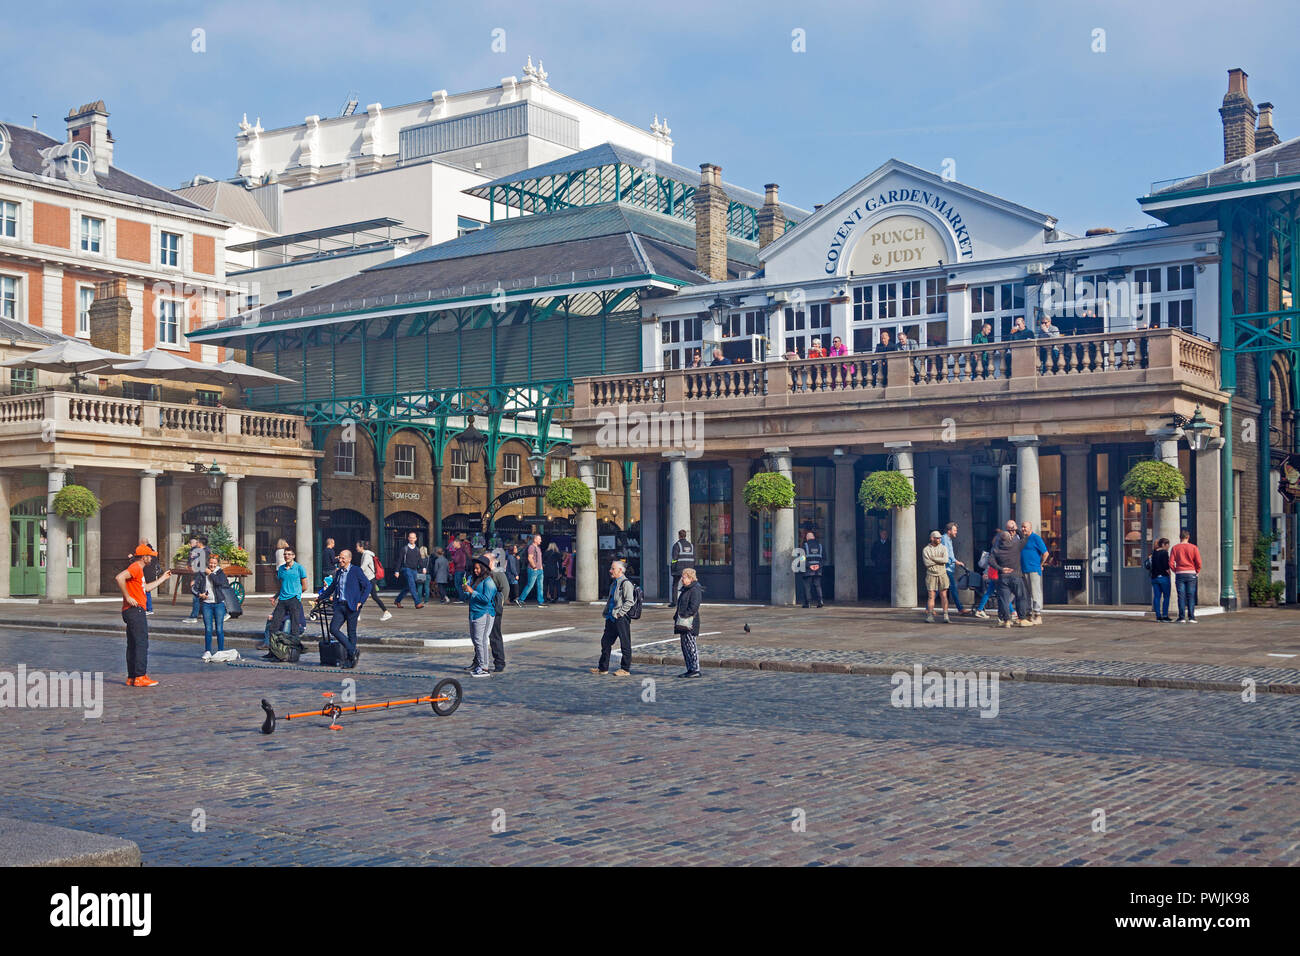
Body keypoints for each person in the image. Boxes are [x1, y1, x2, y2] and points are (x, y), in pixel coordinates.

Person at [115, 544, 172, 686]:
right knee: (141, 643)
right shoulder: (135, 567)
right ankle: (140, 676)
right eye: (150, 556)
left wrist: (163, 578)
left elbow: (145, 588)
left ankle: (132, 677)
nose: (152, 558)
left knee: (133, 644)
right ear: (144, 557)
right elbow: (119, 578)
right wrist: (128, 596)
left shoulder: (139, 570)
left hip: (131, 610)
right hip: (135, 610)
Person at [319, 549, 371, 668]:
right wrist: (321, 597)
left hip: (352, 606)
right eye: (340, 558)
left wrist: (360, 601)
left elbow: (367, 586)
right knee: (333, 628)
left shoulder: (356, 570)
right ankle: (352, 650)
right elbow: (332, 587)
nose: (340, 560)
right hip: (340, 605)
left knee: (351, 632)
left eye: (343, 558)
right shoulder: (339, 572)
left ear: (349, 559)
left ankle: (350, 659)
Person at [591, 560, 636, 677]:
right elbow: (610, 600)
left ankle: (625, 669)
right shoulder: (614, 583)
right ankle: (603, 668)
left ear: (620, 570)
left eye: (613, 569)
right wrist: (607, 613)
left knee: (625, 643)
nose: (610, 571)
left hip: (620, 618)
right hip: (611, 618)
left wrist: (620, 614)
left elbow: (629, 601)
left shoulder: (626, 583)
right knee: (605, 642)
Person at [463, 555, 498, 677]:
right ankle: (480, 665)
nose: (475, 571)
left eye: (477, 568)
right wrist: (467, 590)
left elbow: (486, 599)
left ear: (483, 568)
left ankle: (484, 667)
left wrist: (472, 591)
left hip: (484, 613)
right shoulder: (475, 580)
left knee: (481, 640)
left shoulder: (489, 582)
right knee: (476, 640)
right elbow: (470, 596)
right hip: (474, 613)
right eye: (474, 568)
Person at [991, 529, 1033, 628]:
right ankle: (1022, 619)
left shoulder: (997, 548)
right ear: (1010, 538)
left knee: (1004, 600)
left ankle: (1007, 621)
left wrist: (1001, 569)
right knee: (1021, 597)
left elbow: (990, 561)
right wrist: (1016, 529)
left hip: (1003, 577)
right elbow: (1024, 538)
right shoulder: (1016, 545)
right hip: (1016, 575)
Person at [267, 546, 308, 639]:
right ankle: (273, 651)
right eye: (285, 554)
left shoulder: (299, 568)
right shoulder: (281, 569)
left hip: (294, 600)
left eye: (289, 554)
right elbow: (282, 586)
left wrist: (296, 594)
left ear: (293, 556)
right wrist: (275, 597)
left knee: (295, 628)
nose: (287, 556)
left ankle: (294, 651)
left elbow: (305, 586)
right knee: (273, 627)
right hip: (282, 600)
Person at [195, 552, 230, 661]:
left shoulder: (220, 573)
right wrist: (199, 594)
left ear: (217, 564)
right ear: (208, 563)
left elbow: (220, 583)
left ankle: (220, 651)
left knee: (219, 629)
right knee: (208, 628)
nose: (212, 565)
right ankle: (208, 651)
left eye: (214, 563)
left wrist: (210, 573)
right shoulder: (202, 573)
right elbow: (194, 587)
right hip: (206, 604)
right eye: (211, 563)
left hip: (218, 603)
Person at [674, 567, 704, 678]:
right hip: (683, 622)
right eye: (682, 576)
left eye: (684, 577)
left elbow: (694, 607)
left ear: (690, 578)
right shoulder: (685, 589)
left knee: (691, 645)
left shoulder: (695, 589)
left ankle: (695, 669)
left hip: (690, 622)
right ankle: (689, 669)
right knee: (685, 646)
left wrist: (684, 616)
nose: (682, 579)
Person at [1019, 520, 1049, 624]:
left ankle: (1038, 615)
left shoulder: (1036, 538)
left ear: (1030, 528)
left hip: (1033, 569)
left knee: (1035, 592)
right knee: (1026, 593)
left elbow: (1045, 553)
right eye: (1022, 527)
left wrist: (1040, 564)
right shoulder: (1022, 539)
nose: (1023, 529)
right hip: (1023, 569)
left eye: (1025, 527)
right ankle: (1028, 615)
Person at [355, 540, 393, 621]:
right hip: (369, 579)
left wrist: (355, 573)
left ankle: (386, 612)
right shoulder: (365, 554)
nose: (356, 548)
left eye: (357, 546)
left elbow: (363, 567)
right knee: (371, 596)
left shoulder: (366, 555)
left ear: (361, 547)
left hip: (369, 579)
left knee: (364, 596)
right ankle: (386, 612)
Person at [1170, 528, 1202, 623]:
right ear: (1188, 537)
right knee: (1191, 595)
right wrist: (1197, 571)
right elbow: (1198, 562)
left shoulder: (1175, 548)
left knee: (1181, 596)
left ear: (1180, 537)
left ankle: (1182, 617)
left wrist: (1175, 570)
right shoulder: (1193, 548)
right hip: (1191, 573)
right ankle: (1191, 617)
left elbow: (1171, 563)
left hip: (1180, 573)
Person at [485, 552, 509, 673]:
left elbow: (506, 589)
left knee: (495, 635)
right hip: (483, 607)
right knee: (480, 637)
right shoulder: (483, 574)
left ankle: (499, 662)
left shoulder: (498, 573)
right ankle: (478, 662)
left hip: (494, 607)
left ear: (492, 561)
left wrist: (500, 603)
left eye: (486, 559)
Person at [940, 522, 970, 616]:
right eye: (954, 530)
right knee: (953, 587)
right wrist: (955, 561)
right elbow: (946, 554)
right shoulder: (945, 539)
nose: (956, 532)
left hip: (949, 567)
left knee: (940, 588)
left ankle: (928, 608)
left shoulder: (949, 539)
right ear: (949, 531)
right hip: (946, 568)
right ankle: (960, 608)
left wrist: (955, 561)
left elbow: (950, 554)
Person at [393, 531, 426, 608]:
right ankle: (417, 603)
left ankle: (397, 600)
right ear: (408, 538)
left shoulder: (417, 550)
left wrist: (423, 567)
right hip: (406, 569)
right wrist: (397, 571)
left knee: (408, 587)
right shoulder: (404, 549)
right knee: (412, 585)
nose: (411, 539)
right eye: (410, 537)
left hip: (414, 570)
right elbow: (399, 560)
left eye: (413, 538)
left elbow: (420, 560)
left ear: (416, 539)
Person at [923, 531, 951, 623]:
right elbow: (927, 563)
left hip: (942, 574)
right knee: (931, 596)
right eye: (937, 538)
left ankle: (946, 615)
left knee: (944, 595)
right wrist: (940, 560)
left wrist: (933, 558)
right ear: (932, 538)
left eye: (939, 538)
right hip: (931, 574)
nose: (939, 539)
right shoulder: (926, 549)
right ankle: (930, 615)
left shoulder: (943, 548)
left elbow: (945, 560)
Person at [182, 534, 209, 624]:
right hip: (204, 576)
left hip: (201, 577)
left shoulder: (202, 553)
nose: (196, 543)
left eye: (197, 542)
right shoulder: (207, 551)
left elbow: (201, 568)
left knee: (196, 596)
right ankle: (200, 613)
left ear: (200, 543)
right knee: (201, 596)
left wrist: (195, 579)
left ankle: (193, 616)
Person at [1148, 537, 1173, 622]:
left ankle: (1158, 616)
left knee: (1157, 597)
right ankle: (1165, 615)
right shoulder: (1164, 553)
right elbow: (1166, 566)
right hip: (1163, 577)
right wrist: (1169, 573)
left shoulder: (1153, 553)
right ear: (1163, 545)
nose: (1168, 546)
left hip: (1154, 578)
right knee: (1166, 596)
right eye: (1167, 545)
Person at [517, 534, 545, 606]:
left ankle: (541, 601)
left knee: (540, 586)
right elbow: (530, 558)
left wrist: (541, 567)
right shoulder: (531, 547)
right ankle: (520, 599)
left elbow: (539, 559)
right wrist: (534, 567)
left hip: (539, 570)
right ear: (535, 540)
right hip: (533, 570)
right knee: (530, 585)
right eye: (539, 539)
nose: (541, 541)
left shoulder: (538, 548)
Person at [669, 529, 695, 605]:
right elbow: (694, 558)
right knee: (689, 585)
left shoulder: (677, 545)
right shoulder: (691, 545)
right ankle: (689, 601)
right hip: (689, 569)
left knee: (675, 585)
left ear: (679, 536)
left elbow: (674, 559)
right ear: (685, 535)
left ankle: (674, 602)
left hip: (679, 569)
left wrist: (673, 569)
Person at [800, 530, 824, 608]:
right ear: (813, 537)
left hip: (808, 569)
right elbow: (823, 558)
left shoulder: (805, 546)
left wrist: (809, 566)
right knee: (818, 586)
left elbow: (802, 558)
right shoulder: (820, 546)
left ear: (807, 538)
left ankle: (808, 603)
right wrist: (818, 566)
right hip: (818, 569)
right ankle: (820, 601)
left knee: (807, 586)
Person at [870, 528, 891, 601]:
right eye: (883, 534)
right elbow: (872, 554)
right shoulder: (876, 544)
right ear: (880, 535)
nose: (884, 535)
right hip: (878, 566)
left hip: (887, 567)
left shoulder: (890, 544)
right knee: (878, 582)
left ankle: (886, 595)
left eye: (886, 534)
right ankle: (879, 595)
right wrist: (876, 560)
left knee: (887, 581)